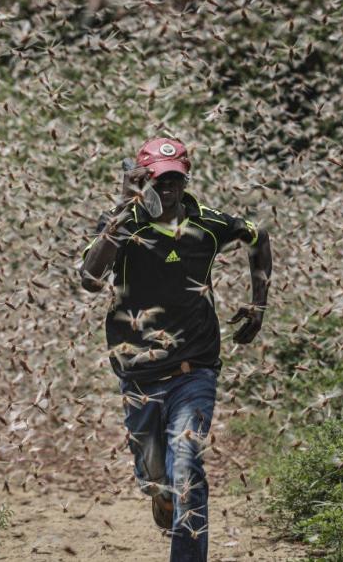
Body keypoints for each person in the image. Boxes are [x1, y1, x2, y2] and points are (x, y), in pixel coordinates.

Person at [78, 137, 272, 562]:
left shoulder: (208, 223)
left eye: (174, 182)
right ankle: (160, 495)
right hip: (139, 375)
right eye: (158, 182)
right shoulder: (122, 224)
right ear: (143, 181)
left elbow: (257, 237)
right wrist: (122, 210)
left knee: (187, 468)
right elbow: (90, 280)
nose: (167, 190)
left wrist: (258, 304)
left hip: (194, 370)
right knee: (157, 479)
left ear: (185, 181)